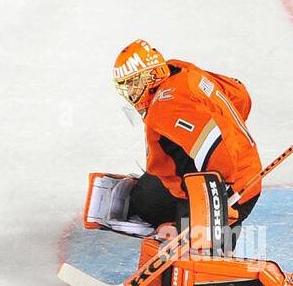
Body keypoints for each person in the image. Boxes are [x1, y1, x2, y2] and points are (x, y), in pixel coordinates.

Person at [111, 39, 262, 241]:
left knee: (190, 257)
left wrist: (217, 203)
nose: (130, 93)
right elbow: (239, 94)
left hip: (231, 189)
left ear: (151, 76)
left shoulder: (165, 106)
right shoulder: (180, 70)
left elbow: (218, 148)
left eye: (133, 84)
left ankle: (216, 241)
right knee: (143, 200)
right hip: (236, 168)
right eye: (126, 86)